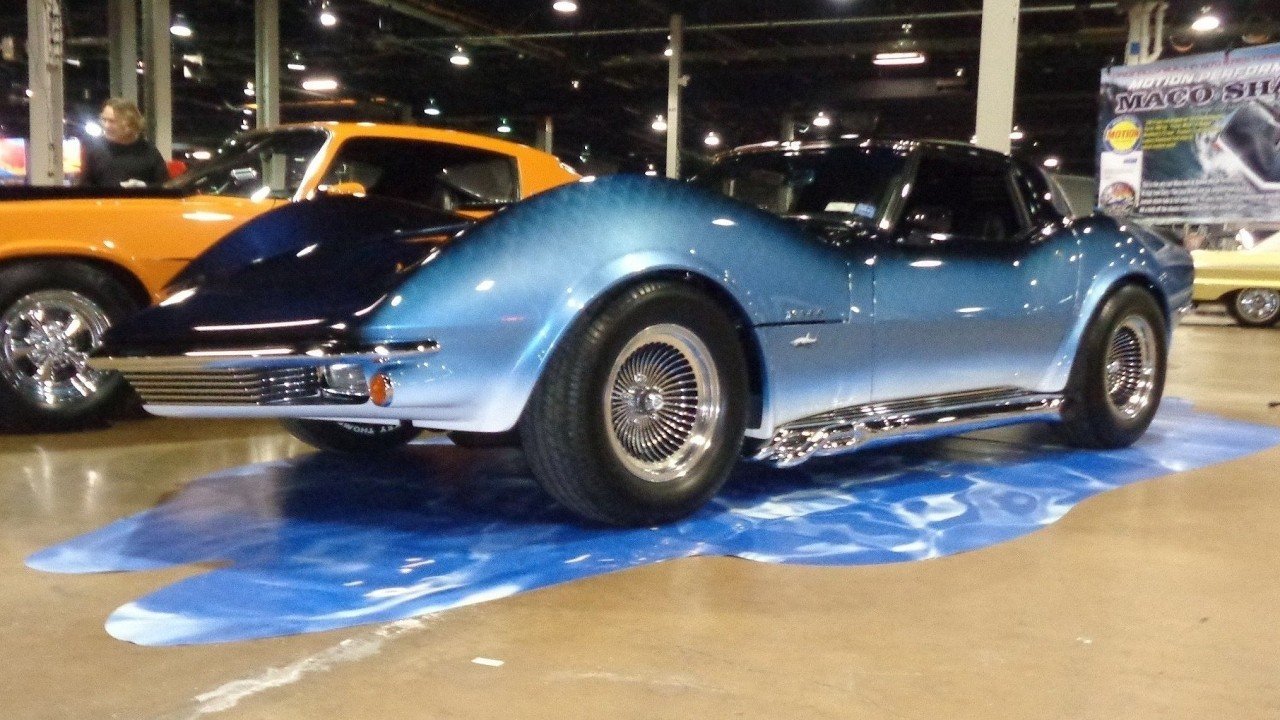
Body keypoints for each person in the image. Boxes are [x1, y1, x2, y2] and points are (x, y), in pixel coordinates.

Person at [79, 98, 170, 188]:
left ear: (130, 124)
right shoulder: (94, 149)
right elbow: (84, 189)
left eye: (112, 121)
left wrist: (144, 187)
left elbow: (165, 187)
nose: (106, 126)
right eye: (104, 120)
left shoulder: (149, 151)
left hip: (140, 201)